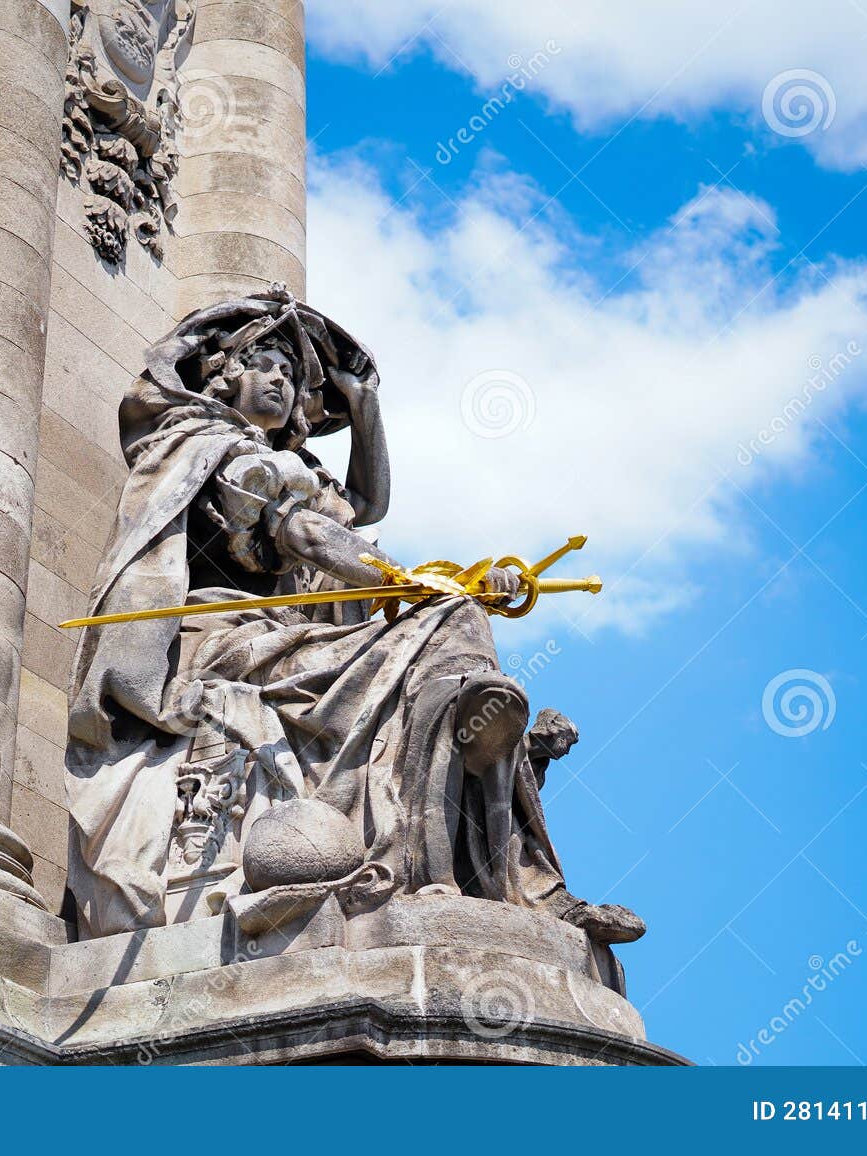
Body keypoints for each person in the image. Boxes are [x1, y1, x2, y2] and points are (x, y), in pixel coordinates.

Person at [66, 286, 644, 947]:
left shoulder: (293, 466)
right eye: (269, 367)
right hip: (219, 641)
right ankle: (454, 849)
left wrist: (367, 410)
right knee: (445, 629)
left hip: (279, 642)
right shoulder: (206, 450)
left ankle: (522, 880)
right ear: (223, 377)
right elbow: (307, 536)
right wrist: (414, 585)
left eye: (291, 374)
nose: (282, 382)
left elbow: (361, 510)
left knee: (450, 636)